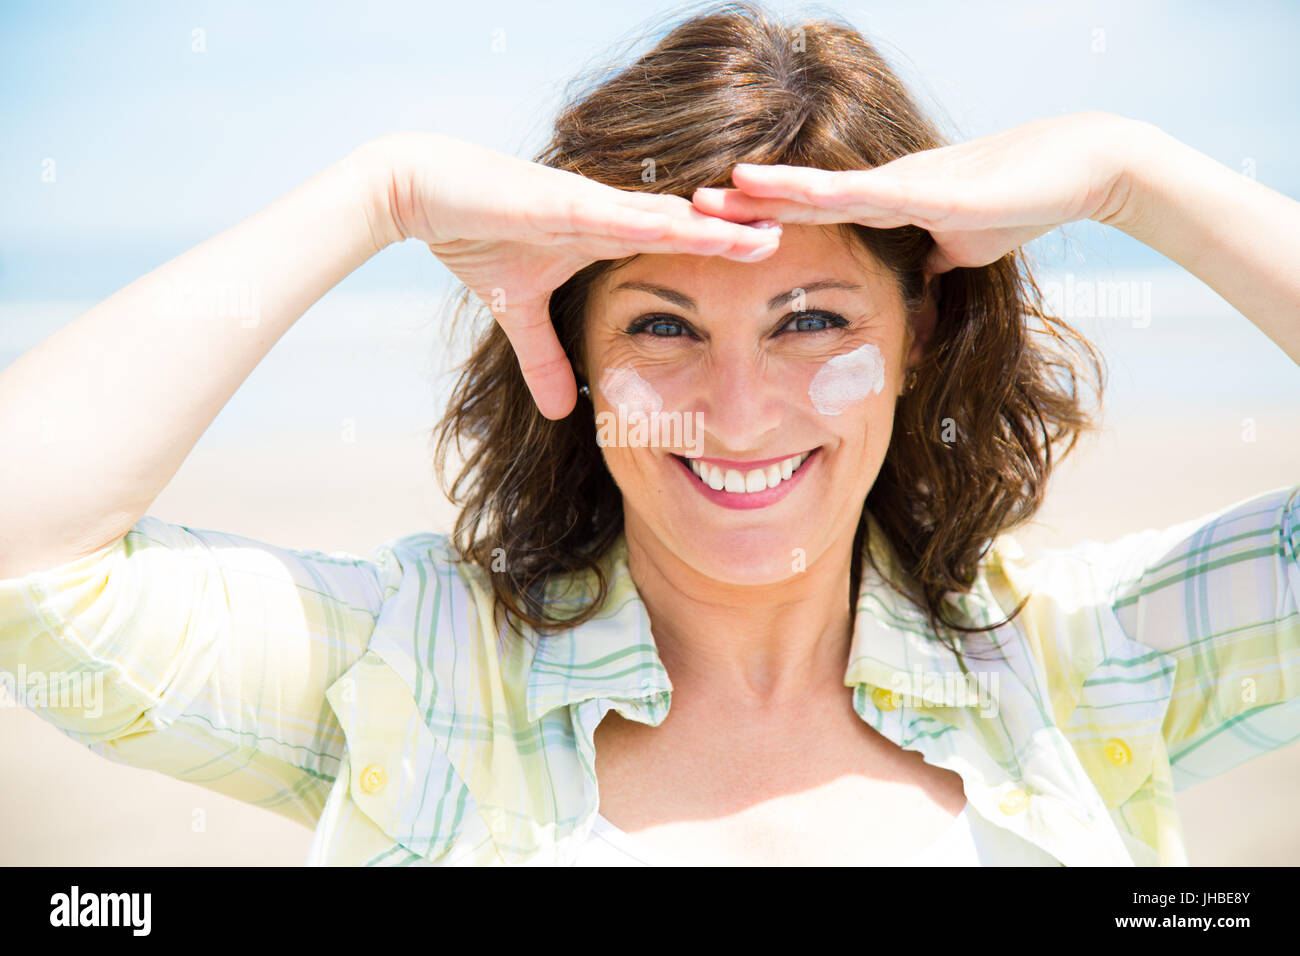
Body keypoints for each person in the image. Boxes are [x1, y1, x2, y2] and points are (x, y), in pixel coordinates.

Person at [1, 1, 1297, 866]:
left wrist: (1141, 177)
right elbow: (24, 546)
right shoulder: (423, 671)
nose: (738, 410)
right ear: (568, 350)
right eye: (666, 328)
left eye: (809, 322)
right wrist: (379, 192)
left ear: (916, 341)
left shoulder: (1081, 663)